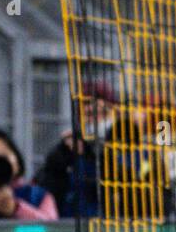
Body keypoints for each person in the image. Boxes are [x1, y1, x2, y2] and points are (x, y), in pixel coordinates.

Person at [35, 80, 117, 216]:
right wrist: (62, 156)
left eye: (101, 113)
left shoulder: (127, 147)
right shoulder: (68, 148)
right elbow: (48, 189)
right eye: (86, 108)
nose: (89, 109)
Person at [0, 129, 58, 220]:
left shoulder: (37, 196)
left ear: (17, 161)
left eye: (3, 156)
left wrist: (15, 209)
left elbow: (52, 231)